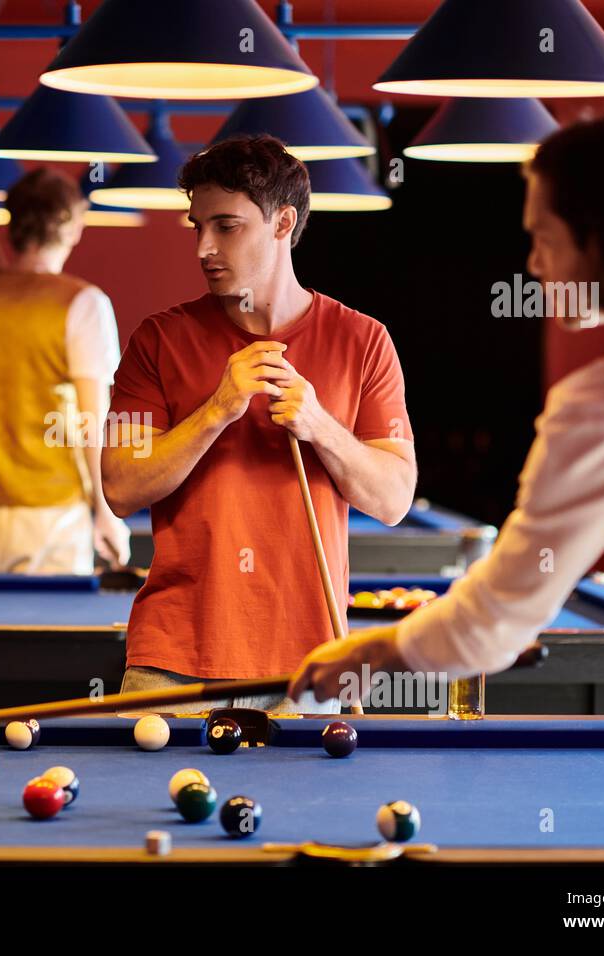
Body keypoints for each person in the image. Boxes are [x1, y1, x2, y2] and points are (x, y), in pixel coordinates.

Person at [288, 113, 604, 858]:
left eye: (543, 236)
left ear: (603, 239)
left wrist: (372, 655)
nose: (533, 264)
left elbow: (497, 621)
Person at [103, 135, 417, 714]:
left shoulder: (364, 341)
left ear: (283, 222)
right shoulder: (157, 340)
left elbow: (395, 498)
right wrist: (218, 408)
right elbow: (121, 486)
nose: (203, 247)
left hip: (312, 662)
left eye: (226, 226)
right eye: (196, 226)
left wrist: (319, 424)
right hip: (173, 664)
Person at [0, 169, 129, 574]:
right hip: (52, 514)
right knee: (49, 637)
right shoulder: (85, 302)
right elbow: (92, 422)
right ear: (69, 225)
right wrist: (108, 513)